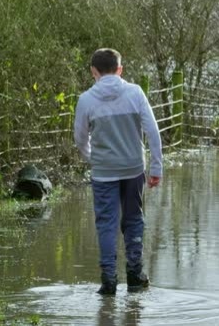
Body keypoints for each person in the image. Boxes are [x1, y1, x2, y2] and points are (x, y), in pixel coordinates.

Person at [74, 48, 163, 295]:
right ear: (120, 69)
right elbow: (153, 132)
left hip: (104, 172)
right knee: (134, 219)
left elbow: (80, 138)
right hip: (134, 168)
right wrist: (156, 166)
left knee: (106, 223)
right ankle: (135, 276)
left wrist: (93, 157)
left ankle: (109, 280)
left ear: (94, 72)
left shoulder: (86, 100)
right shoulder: (135, 93)